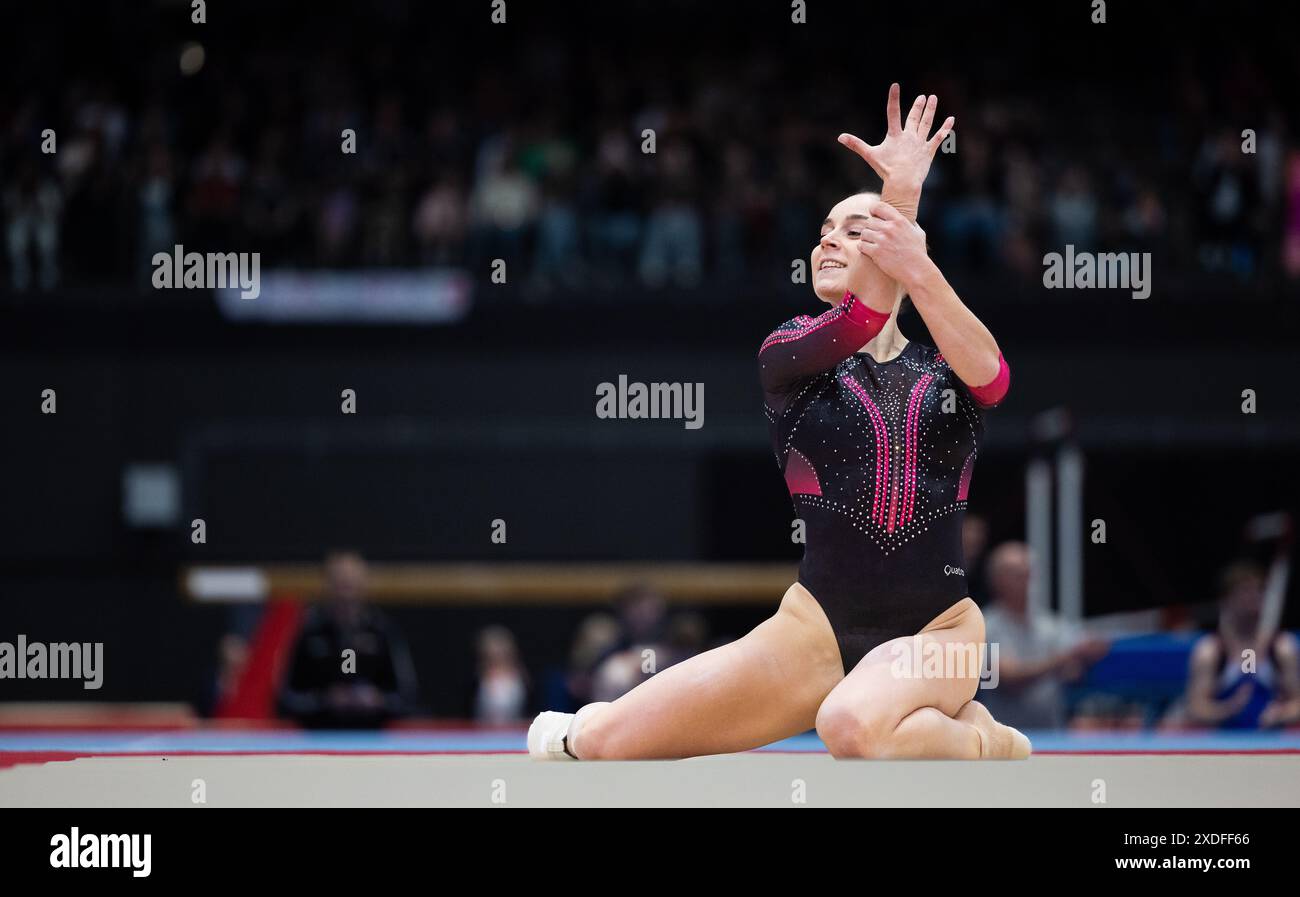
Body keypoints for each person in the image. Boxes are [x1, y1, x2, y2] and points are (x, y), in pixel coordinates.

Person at [530, 85, 1030, 760]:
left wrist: (911, 246)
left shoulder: (946, 368)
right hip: (814, 630)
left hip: (940, 632)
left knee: (849, 725)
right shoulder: (789, 354)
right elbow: (864, 318)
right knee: (599, 740)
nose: (828, 240)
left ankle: (985, 741)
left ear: (904, 245)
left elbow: (993, 376)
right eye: (824, 231)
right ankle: (948, 724)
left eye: (856, 230)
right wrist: (900, 202)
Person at [278, 551, 419, 729]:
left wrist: (378, 699)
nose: (346, 593)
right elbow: (286, 698)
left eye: (351, 584)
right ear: (327, 585)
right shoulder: (308, 630)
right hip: (318, 735)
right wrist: (324, 700)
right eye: (340, 584)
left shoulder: (382, 630)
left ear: (364, 585)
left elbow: (406, 695)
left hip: (373, 737)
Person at [979, 541, 1109, 730]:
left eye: (1029, 572)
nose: (1026, 579)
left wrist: (1086, 655)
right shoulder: (984, 625)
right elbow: (1007, 680)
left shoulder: (1051, 624)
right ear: (997, 580)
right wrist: (1064, 658)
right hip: (1003, 739)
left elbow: (1073, 670)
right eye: (1018, 574)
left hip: (1052, 736)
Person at [1183, 559, 1300, 729]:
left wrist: (1281, 713)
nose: (1253, 598)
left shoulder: (1282, 648)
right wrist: (1227, 711)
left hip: (1272, 742)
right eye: (1245, 592)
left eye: (1259, 591)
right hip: (1225, 745)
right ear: (1226, 599)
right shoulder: (1210, 651)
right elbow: (1195, 708)